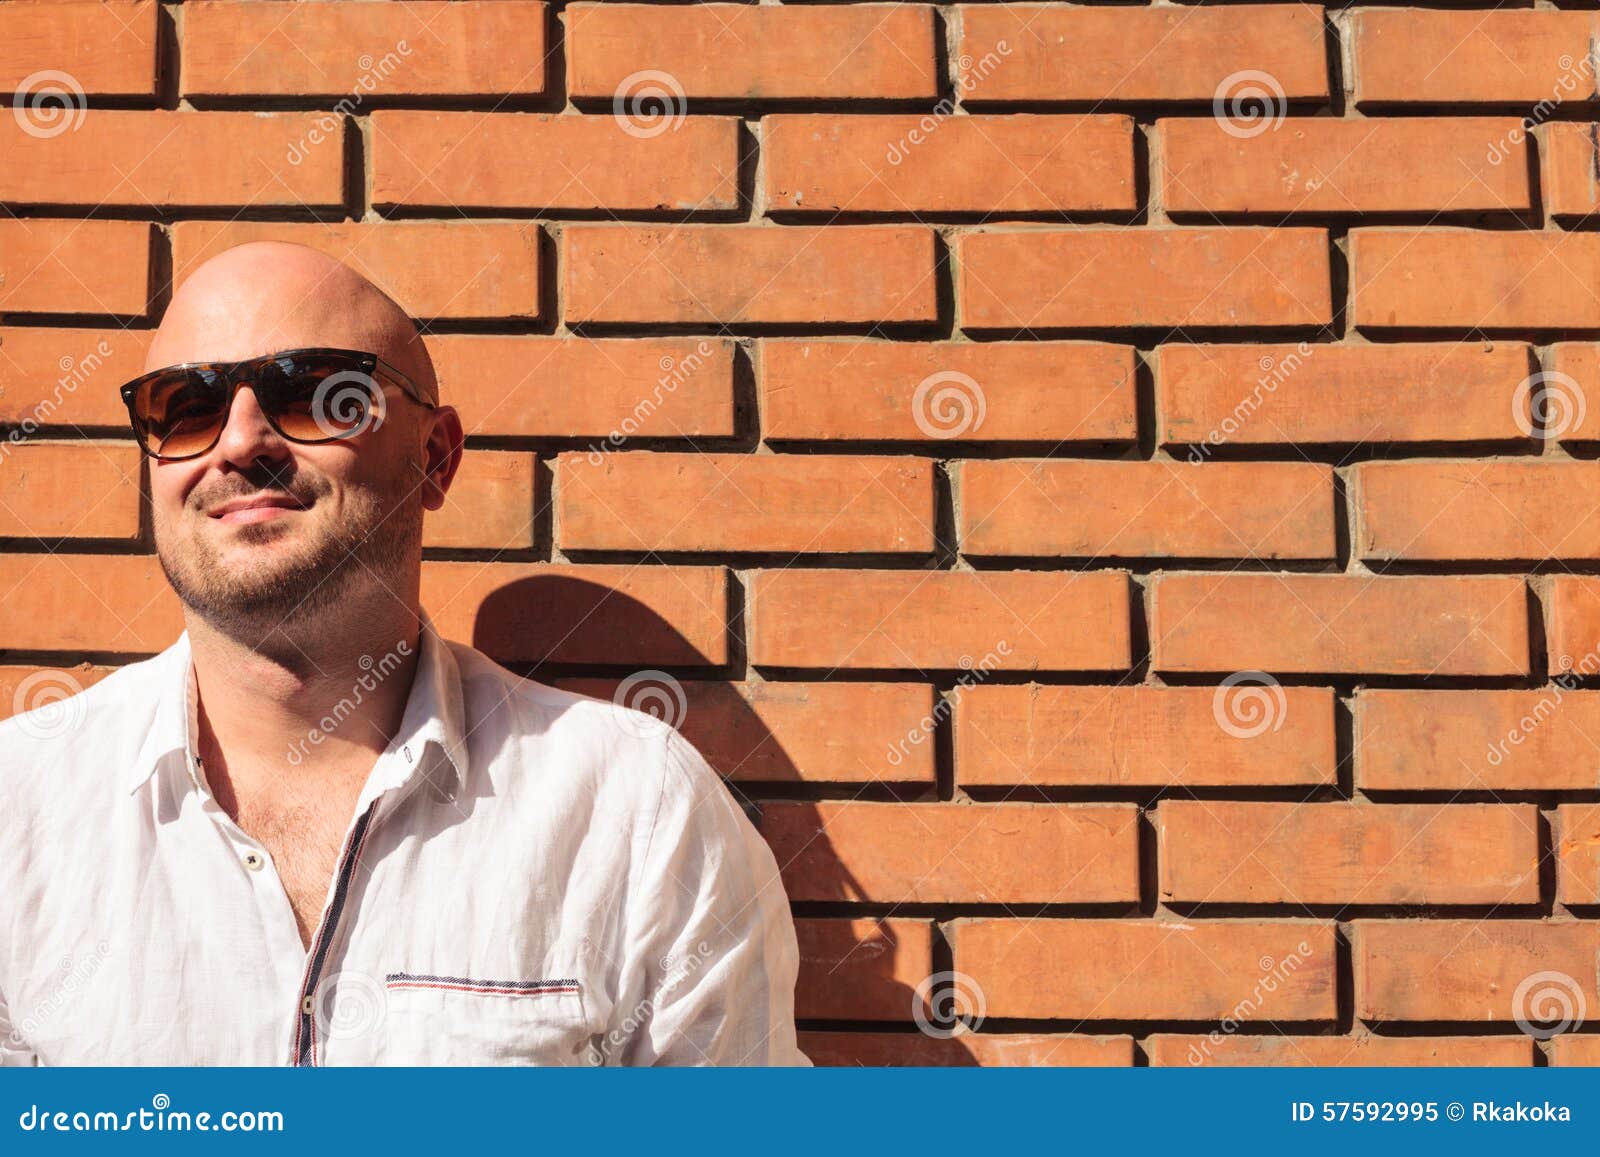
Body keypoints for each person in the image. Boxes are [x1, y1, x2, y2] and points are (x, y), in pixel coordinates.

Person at [0, 241, 808, 1066]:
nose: (238, 442)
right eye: (186, 405)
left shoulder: (634, 814)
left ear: (435, 456)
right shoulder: (19, 813)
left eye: (313, 391)